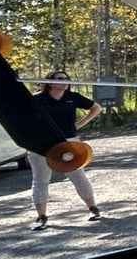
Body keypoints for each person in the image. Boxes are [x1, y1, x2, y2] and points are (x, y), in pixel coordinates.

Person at [28, 70, 103, 230]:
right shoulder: (36, 100)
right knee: (41, 180)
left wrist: (78, 125)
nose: (65, 82)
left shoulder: (73, 97)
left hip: (68, 143)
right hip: (42, 145)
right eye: (60, 79)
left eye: (66, 79)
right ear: (49, 83)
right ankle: (41, 217)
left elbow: (96, 108)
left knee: (78, 176)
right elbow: (21, 118)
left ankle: (93, 209)